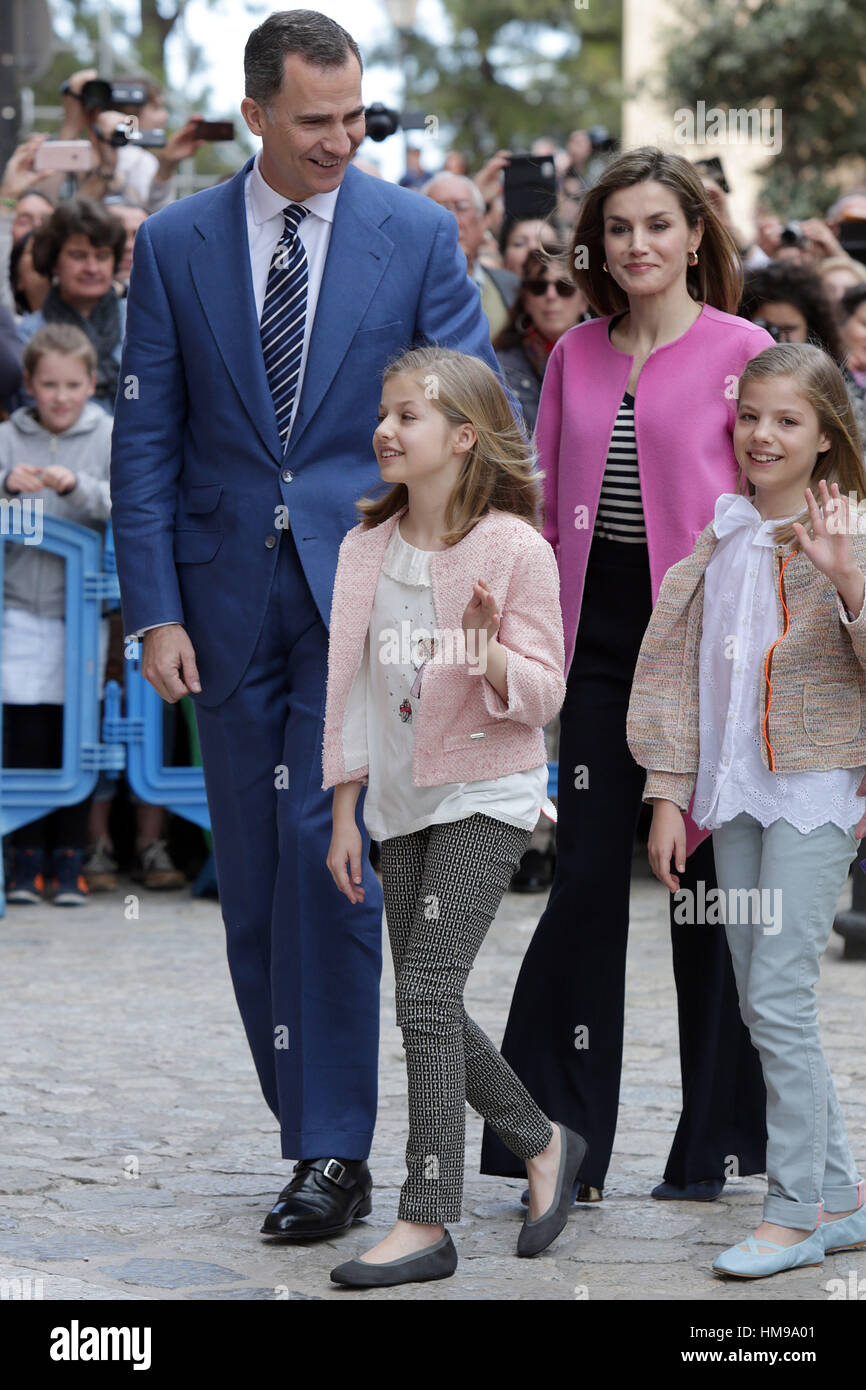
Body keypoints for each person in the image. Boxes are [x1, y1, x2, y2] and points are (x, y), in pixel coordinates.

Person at [110, 9, 513, 1243]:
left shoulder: (412, 233)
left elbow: (477, 415)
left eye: (354, 117)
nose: (342, 141)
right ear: (254, 118)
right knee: (254, 885)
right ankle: (313, 1128)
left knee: (328, 864)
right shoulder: (174, 244)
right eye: (314, 122)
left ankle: (333, 1153)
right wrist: (153, 613)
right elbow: (145, 437)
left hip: (375, 602)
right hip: (221, 598)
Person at [481, 146, 774, 1206]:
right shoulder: (572, 355)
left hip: (710, 650)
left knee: (705, 893)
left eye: (658, 224)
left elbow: (778, 497)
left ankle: (720, 1144)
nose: (637, 244)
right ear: (594, 244)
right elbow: (536, 501)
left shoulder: (747, 351)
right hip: (595, 646)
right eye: (617, 228)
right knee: (587, 884)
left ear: (694, 233)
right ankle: (555, 1133)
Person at [322, 346, 584, 1288]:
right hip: (397, 801)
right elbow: (348, 689)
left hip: (487, 791)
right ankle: (545, 1140)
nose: (387, 430)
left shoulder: (515, 547)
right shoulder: (365, 548)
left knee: (425, 996)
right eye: (385, 413)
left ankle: (427, 1216)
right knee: (425, 1002)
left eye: (411, 416)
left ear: (465, 438)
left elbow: (548, 691)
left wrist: (491, 659)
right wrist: (347, 811)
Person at [627, 342, 866, 1277]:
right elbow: (675, 681)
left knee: (776, 995)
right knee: (763, 1002)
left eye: (789, 421)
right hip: (732, 799)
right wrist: (665, 795)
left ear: (824, 440)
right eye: (752, 415)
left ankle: (791, 1211)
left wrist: (848, 578)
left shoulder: (848, 529)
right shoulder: (721, 537)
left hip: (811, 795)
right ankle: (842, 1196)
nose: (763, 434)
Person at [0, 324, 111, 904]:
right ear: (29, 385)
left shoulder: (108, 435)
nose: (62, 396)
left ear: (92, 383)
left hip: (82, 614)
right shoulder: (7, 438)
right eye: (49, 385)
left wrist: (81, 488)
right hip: (19, 610)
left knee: (79, 736)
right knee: (26, 732)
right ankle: (23, 862)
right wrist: (3, 483)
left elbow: (125, 502)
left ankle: (69, 863)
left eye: (73, 384)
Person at [19, 198, 126, 415]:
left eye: (102, 256)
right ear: (54, 262)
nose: (92, 268)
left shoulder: (140, 319)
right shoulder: (28, 333)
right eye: (78, 256)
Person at [423, 172, 520, 341]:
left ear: (483, 221)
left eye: (461, 207)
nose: (452, 220)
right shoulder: (404, 292)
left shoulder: (513, 288)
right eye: (440, 208)